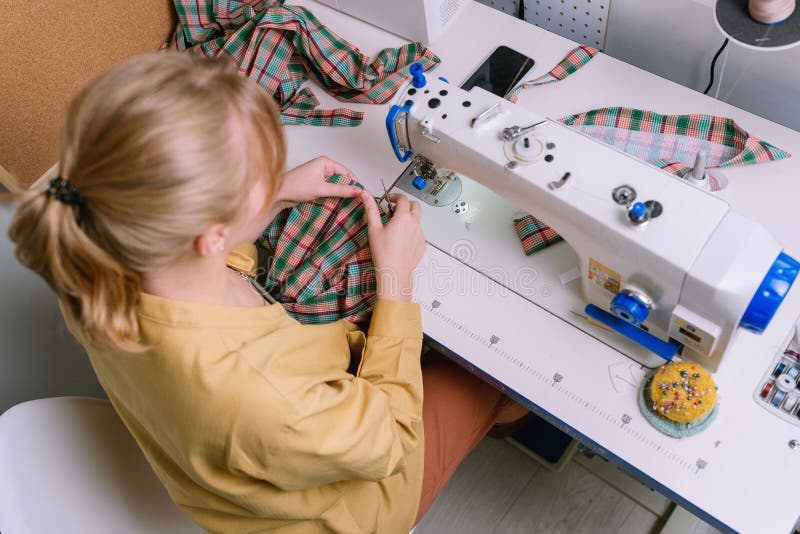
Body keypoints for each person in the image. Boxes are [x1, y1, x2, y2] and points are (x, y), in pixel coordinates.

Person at [9, 52, 527, 533]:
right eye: (258, 177)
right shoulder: (263, 398)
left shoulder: (92, 260)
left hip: (232, 462)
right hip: (352, 504)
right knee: (499, 369)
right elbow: (390, 439)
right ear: (208, 235)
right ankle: (503, 425)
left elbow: (215, 266)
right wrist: (395, 284)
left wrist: (271, 193)